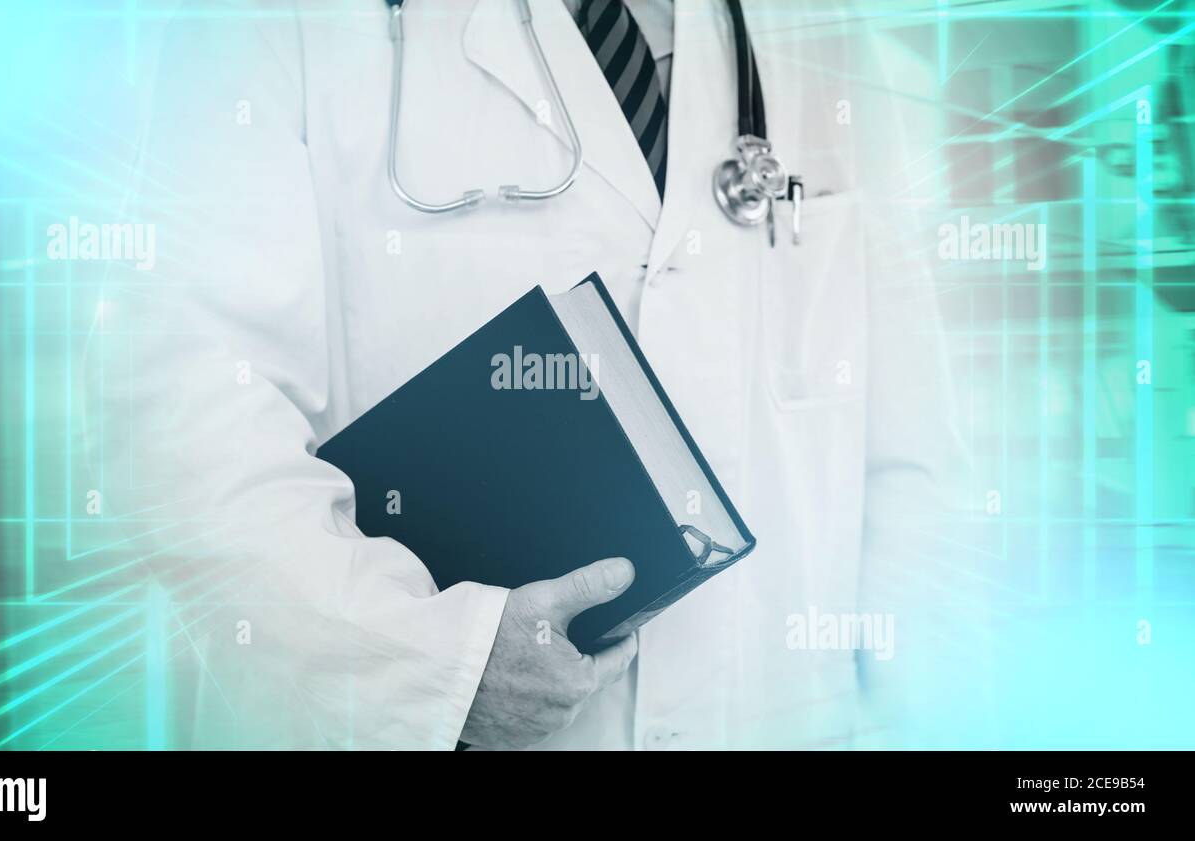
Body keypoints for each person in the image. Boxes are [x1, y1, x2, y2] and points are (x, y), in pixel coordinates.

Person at [102, 0, 971, 749]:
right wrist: (432, 661)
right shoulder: (268, 25)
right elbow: (183, 432)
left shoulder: (825, 31)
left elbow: (915, 463)